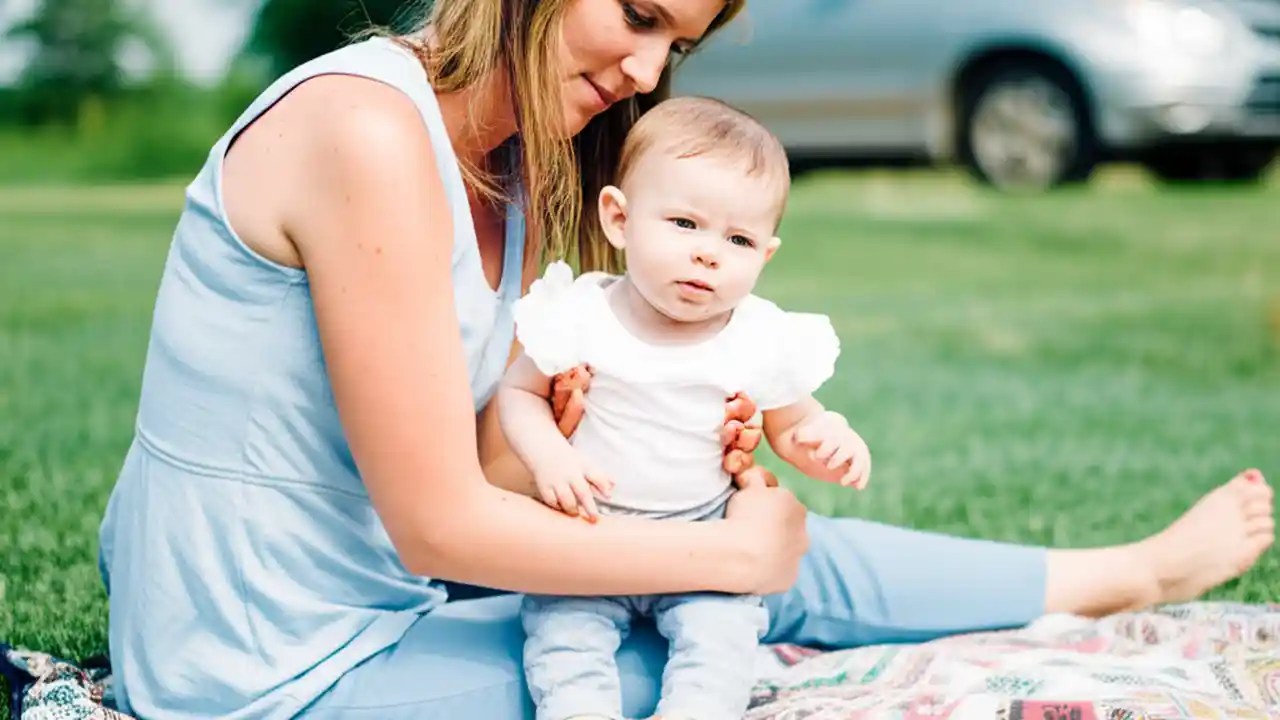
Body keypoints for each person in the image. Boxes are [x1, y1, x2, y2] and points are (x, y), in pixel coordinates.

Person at [94, 0, 1275, 717]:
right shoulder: (366, 131)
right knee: (703, 637)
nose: (650, 73)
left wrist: (619, 460)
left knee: (752, 550)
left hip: (370, 593)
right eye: (638, 16)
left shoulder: (499, 163)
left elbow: (450, 465)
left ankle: (1113, 576)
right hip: (268, 671)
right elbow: (435, 528)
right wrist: (713, 552)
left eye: (679, 42)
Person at [501, 96, 866, 720]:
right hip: (588, 538)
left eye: (739, 238)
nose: (709, 253)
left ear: (765, 256)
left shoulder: (757, 335)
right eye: (685, 224)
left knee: (720, 649)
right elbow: (519, 394)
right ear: (620, 219)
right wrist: (549, 456)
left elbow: (793, 423)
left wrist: (829, 439)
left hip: (705, 538)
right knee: (565, 652)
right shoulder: (582, 313)